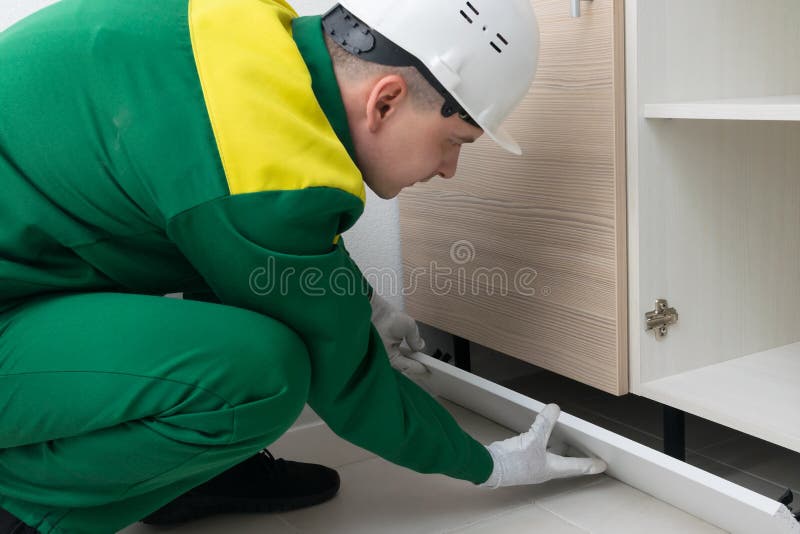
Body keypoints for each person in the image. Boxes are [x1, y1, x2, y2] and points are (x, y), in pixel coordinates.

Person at [0, 0, 607, 532]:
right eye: (455, 141)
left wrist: (362, 305)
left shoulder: (255, 38)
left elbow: (249, 234)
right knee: (266, 373)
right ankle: (23, 510)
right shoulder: (265, 166)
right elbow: (346, 382)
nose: (449, 169)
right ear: (387, 100)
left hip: (28, 283)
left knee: (230, 288)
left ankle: (194, 476)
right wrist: (489, 464)